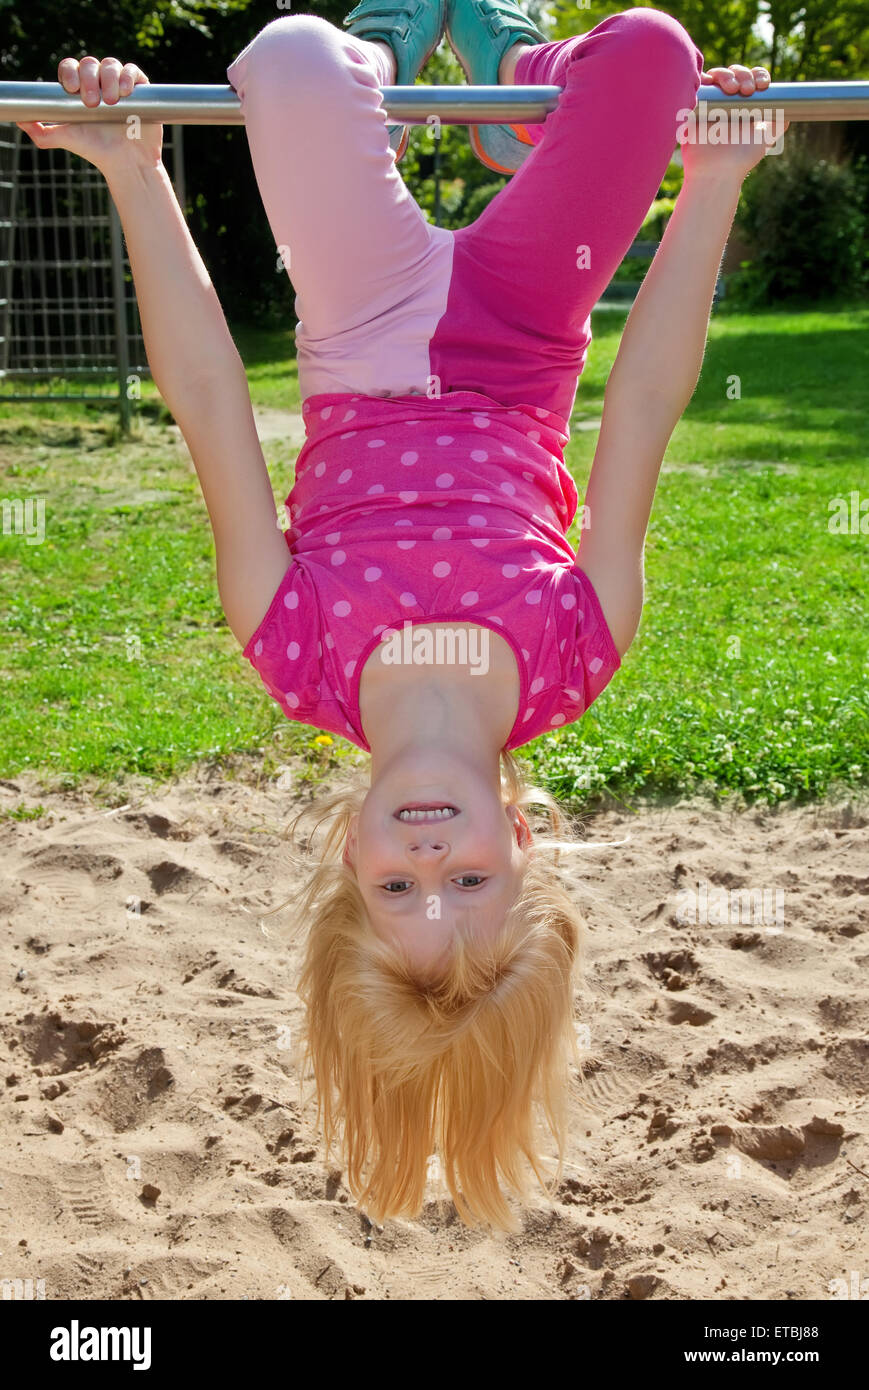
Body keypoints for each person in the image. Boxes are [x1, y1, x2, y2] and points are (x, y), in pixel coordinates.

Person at [17, 2, 783, 1229]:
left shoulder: (292, 645)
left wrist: (135, 172)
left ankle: (381, 56)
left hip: (361, 322)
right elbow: (641, 402)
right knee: (650, 55)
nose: (432, 864)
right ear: (524, 858)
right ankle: (503, 85)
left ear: (348, 867)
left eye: (397, 896)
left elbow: (210, 396)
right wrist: (709, 189)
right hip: (528, 335)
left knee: (288, 59)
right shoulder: (576, 650)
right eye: (469, 881)